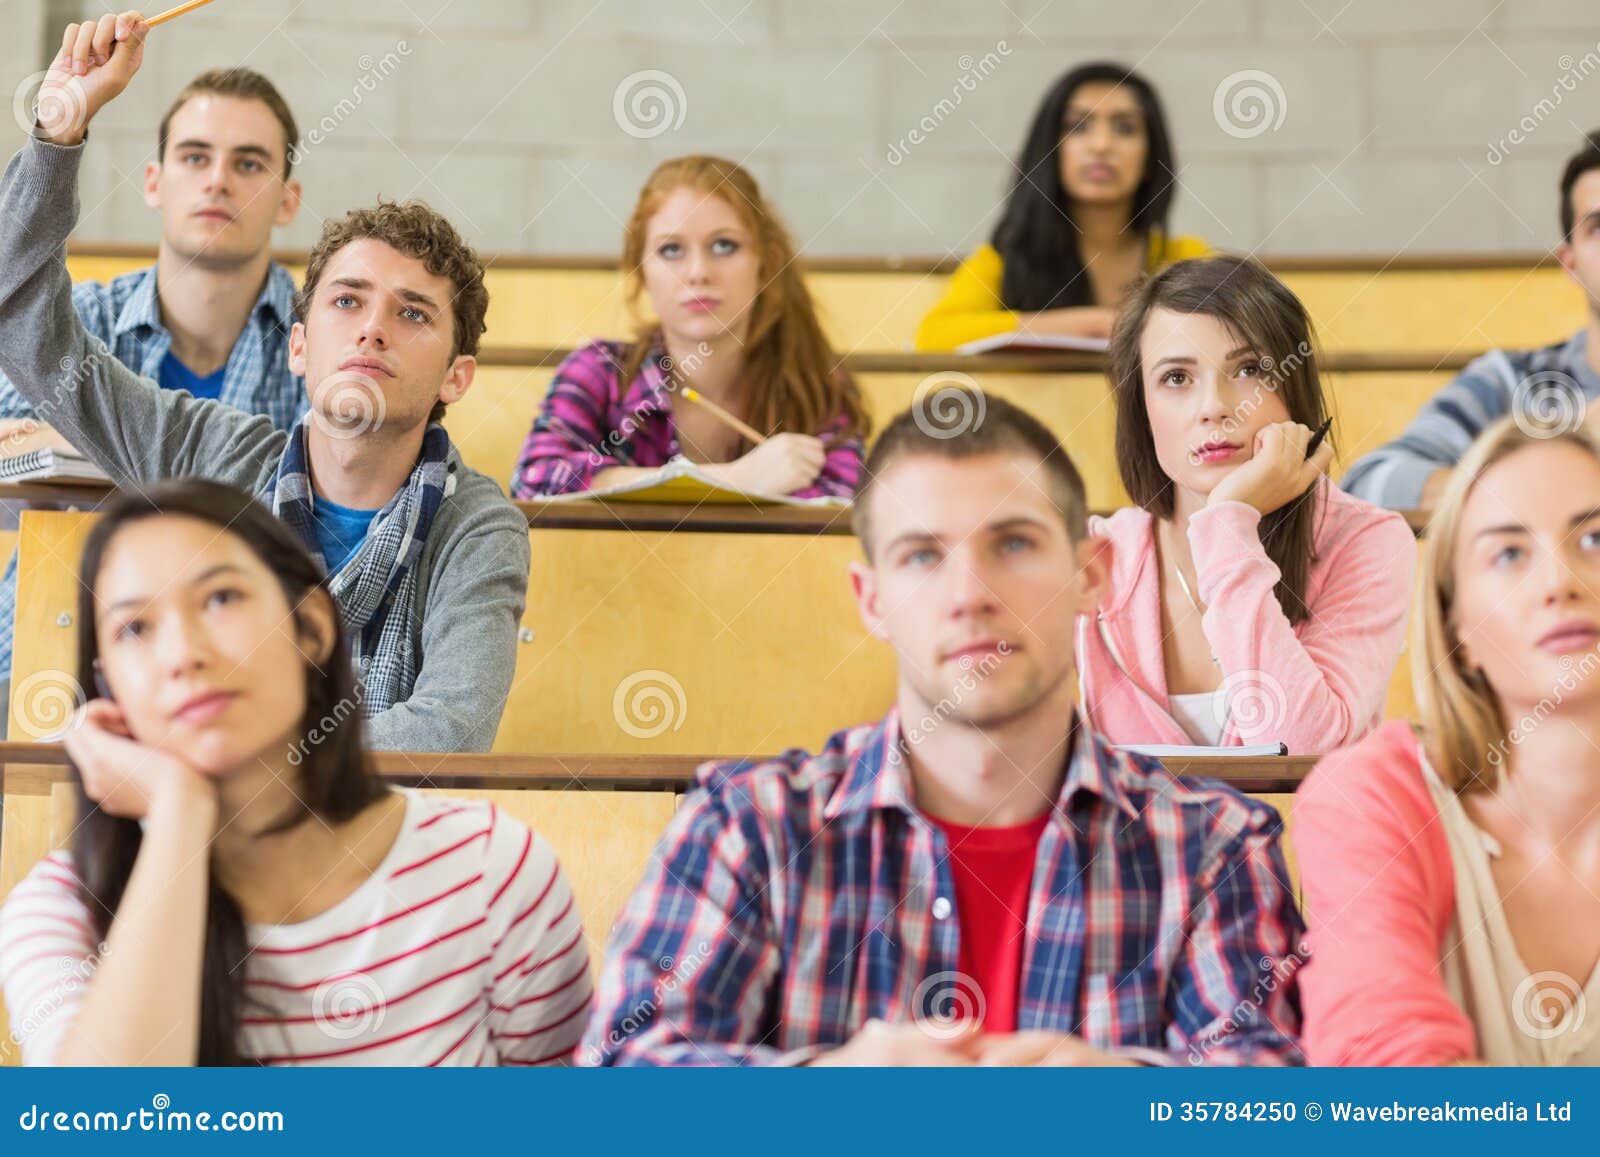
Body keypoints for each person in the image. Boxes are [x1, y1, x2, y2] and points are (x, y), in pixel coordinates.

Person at [581, 392, 1304, 1067]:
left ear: (1093, 574)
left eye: (1014, 544)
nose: (970, 595)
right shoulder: (748, 826)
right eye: (923, 555)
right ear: (873, 600)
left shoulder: (1216, 848)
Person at [0, 12, 529, 751]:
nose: (373, 328)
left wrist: (237, 748)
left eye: (412, 313)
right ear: (300, 346)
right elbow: (24, 320)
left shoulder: (478, 525)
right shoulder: (214, 453)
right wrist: (56, 133)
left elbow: (450, 732)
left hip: (375, 852)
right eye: (347, 301)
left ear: (457, 376)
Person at [0, 479, 590, 1065]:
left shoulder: (491, 866)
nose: (183, 655)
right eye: (135, 628)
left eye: (221, 598)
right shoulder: (57, 913)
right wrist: (180, 810)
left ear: (310, 629)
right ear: (108, 686)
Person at [0, 65, 308, 724]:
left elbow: (311, 514)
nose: (218, 179)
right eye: (195, 157)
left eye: (249, 163)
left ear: (287, 199)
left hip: (241, 682)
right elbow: (11, 475)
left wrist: (78, 446)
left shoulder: (324, 346)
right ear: (153, 182)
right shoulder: (79, 320)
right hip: (50, 659)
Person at [1298, 418, 1600, 1066]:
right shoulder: (1372, 798)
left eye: (1595, 537)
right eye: (1510, 553)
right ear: (1455, 622)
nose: (1560, 583)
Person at [1078, 256, 1414, 753]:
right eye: (1176, 378)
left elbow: (1297, 748)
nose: (1215, 406)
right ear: (1139, 407)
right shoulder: (1102, 554)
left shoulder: (1368, 541)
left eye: (1250, 369)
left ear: (1295, 391)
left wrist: (1227, 522)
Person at [511, 156, 869, 501]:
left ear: (766, 263)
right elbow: (534, 483)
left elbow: (843, 508)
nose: (698, 271)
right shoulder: (600, 371)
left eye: (724, 245)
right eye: (671, 250)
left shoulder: (818, 387)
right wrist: (736, 478)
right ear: (641, 271)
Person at [1343, 131, 1600, 511]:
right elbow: (1367, 484)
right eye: (1599, 227)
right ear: (1570, 262)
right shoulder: (1511, 382)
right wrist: (1546, 473)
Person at [915, 62, 1207, 352]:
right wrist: (1094, 324)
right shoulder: (1005, 260)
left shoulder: (1185, 260)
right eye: (1078, 127)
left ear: (1150, 157)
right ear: (1050, 152)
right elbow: (934, 337)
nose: (1102, 145)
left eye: (1124, 128)